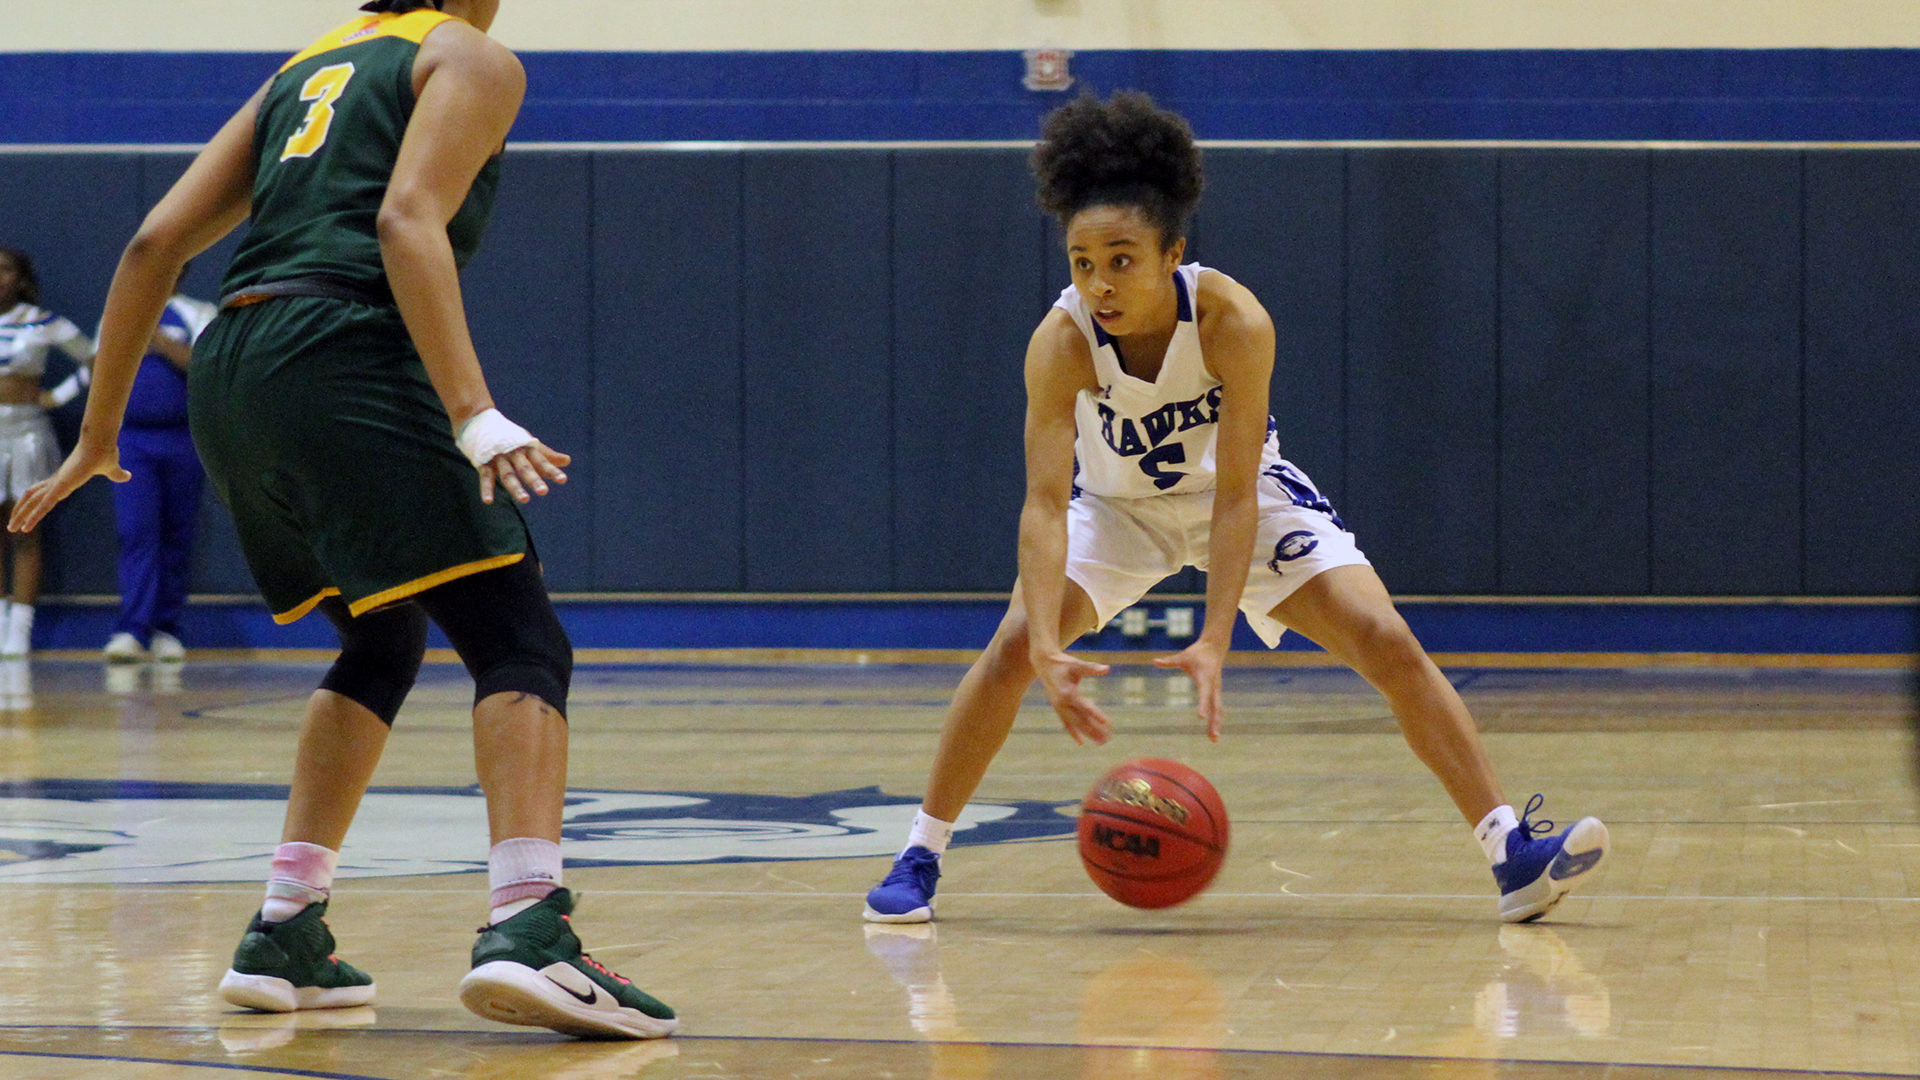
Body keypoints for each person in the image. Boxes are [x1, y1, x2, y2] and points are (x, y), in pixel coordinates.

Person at [8, 0, 676, 1040]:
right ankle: (528, 927)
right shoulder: (469, 57)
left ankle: (286, 927)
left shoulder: (306, 65)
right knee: (519, 637)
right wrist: (474, 412)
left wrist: (99, 437)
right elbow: (405, 219)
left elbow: (152, 244)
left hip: (232, 365)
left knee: (380, 637)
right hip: (342, 343)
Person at [862, 92, 1610, 927]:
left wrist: (1216, 637)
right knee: (1005, 652)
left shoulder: (1235, 323)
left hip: (1238, 495)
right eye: (1081, 262)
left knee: (1387, 639)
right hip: (1116, 510)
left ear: (1172, 252)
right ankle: (919, 854)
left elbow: (1233, 492)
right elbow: (1043, 505)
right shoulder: (1062, 343)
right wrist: (1042, 641)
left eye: (1120, 259)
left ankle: (1511, 853)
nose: (1099, 283)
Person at [101, 269, 219, 664]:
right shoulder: (121, 309)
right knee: (136, 532)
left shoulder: (198, 313)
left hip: (184, 439)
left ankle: (167, 628)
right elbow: (102, 367)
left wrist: (159, 340)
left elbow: (204, 365)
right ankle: (131, 629)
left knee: (177, 533)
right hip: (132, 441)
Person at [0, 246, 96, 657]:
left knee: (24, 528)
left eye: (3, 270)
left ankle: (20, 630)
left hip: (26, 435)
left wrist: (58, 396)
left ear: (20, 278)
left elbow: (97, 358)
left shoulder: (43, 322)